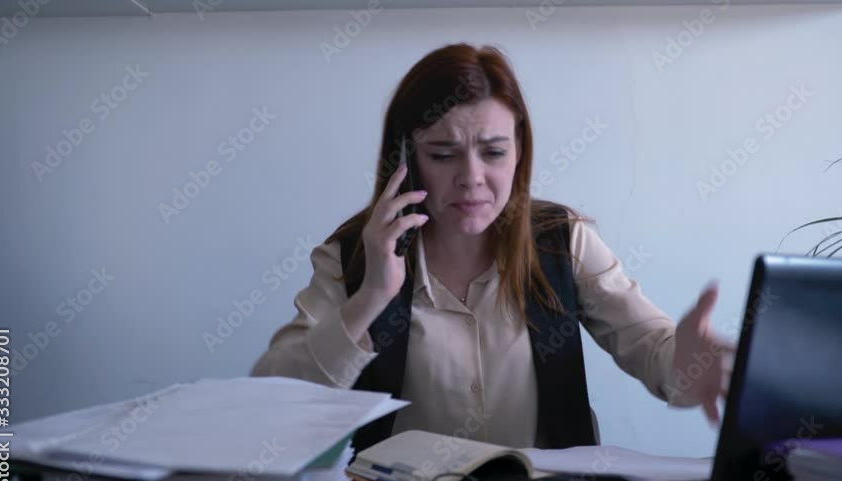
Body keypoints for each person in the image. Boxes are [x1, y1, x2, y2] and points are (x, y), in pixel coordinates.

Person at [251, 42, 734, 452]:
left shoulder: (563, 242)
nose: (472, 179)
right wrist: (371, 296)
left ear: (520, 151)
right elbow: (273, 400)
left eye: (494, 152)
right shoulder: (354, 256)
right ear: (406, 159)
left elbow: (653, 350)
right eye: (443, 155)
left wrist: (695, 364)